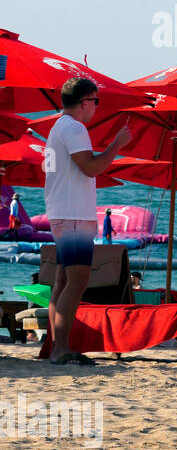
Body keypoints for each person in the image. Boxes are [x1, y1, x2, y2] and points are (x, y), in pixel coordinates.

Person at [43, 77, 131, 364]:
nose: (96, 107)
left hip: (62, 211)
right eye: (96, 101)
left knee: (63, 279)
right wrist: (117, 144)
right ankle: (60, 349)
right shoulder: (74, 127)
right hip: (73, 214)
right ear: (84, 102)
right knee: (78, 279)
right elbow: (91, 168)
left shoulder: (59, 127)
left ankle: (55, 346)